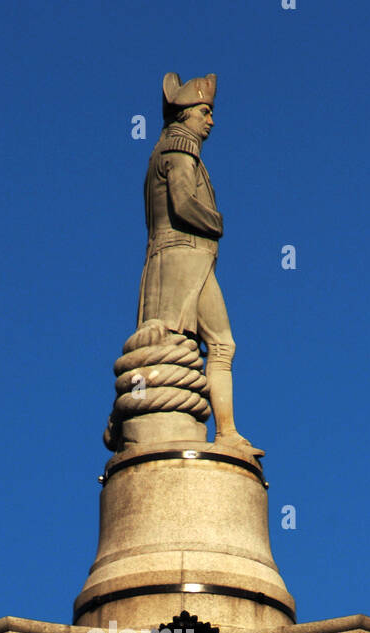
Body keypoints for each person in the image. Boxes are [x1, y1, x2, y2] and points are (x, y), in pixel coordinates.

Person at [136, 72, 259, 454]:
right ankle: (225, 433)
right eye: (204, 112)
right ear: (186, 113)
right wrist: (217, 222)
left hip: (186, 258)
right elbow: (183, 204)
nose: (211, 121)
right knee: (211, 344)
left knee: (219, 345)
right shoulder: (180, 151)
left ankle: (227, 432)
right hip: (182, 258)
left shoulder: (168, 151)